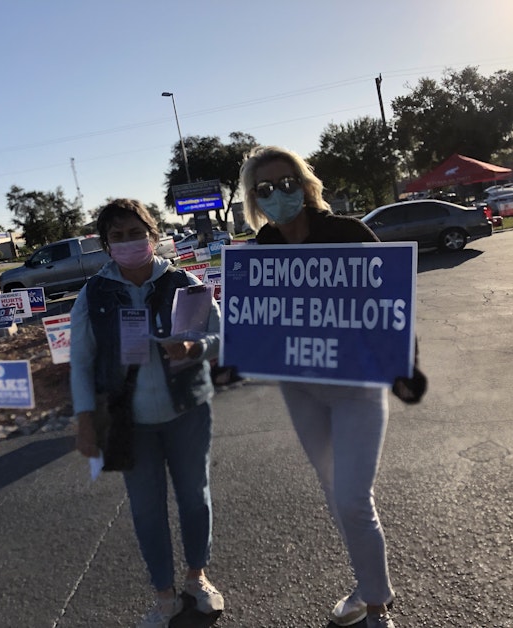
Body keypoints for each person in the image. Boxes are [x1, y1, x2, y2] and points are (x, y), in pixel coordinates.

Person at [238, 146, 427, 628]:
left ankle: (379, 607)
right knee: (332, 491)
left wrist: (408, 363)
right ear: (254, 199)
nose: (278, 194)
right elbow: (260, 319)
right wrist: (234, 357)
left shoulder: (347, 232)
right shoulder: (263, 248)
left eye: (287, 183)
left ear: (304, 184)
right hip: (299, 386)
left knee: (351, 497)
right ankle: (365, 587)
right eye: (266, 189)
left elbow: (393, 301)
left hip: (356, 385)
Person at [70, 198, 224, 628]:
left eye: (135, 233)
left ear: (154, 236)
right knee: (146, 509)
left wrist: (198, 347)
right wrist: (85, 420)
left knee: (196, 497)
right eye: (116, 237)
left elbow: (222, 334)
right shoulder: (93, 295)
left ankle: (198, 579)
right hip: (129, 420)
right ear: (105, 246)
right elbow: (81, 362)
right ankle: (164, 597)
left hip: (187, 409)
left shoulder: (182, 281)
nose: (127, 242)